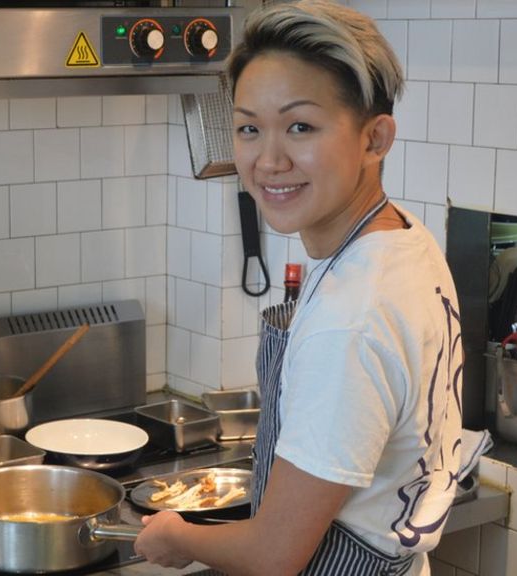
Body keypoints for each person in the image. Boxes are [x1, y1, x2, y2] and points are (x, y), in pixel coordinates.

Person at [133, 1, 464, 574]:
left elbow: (273, 555)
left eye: (301, 126)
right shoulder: (403, 240)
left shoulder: (351, 320)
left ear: (374, 139)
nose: (269, 160)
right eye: (249, 128)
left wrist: (177, 536)